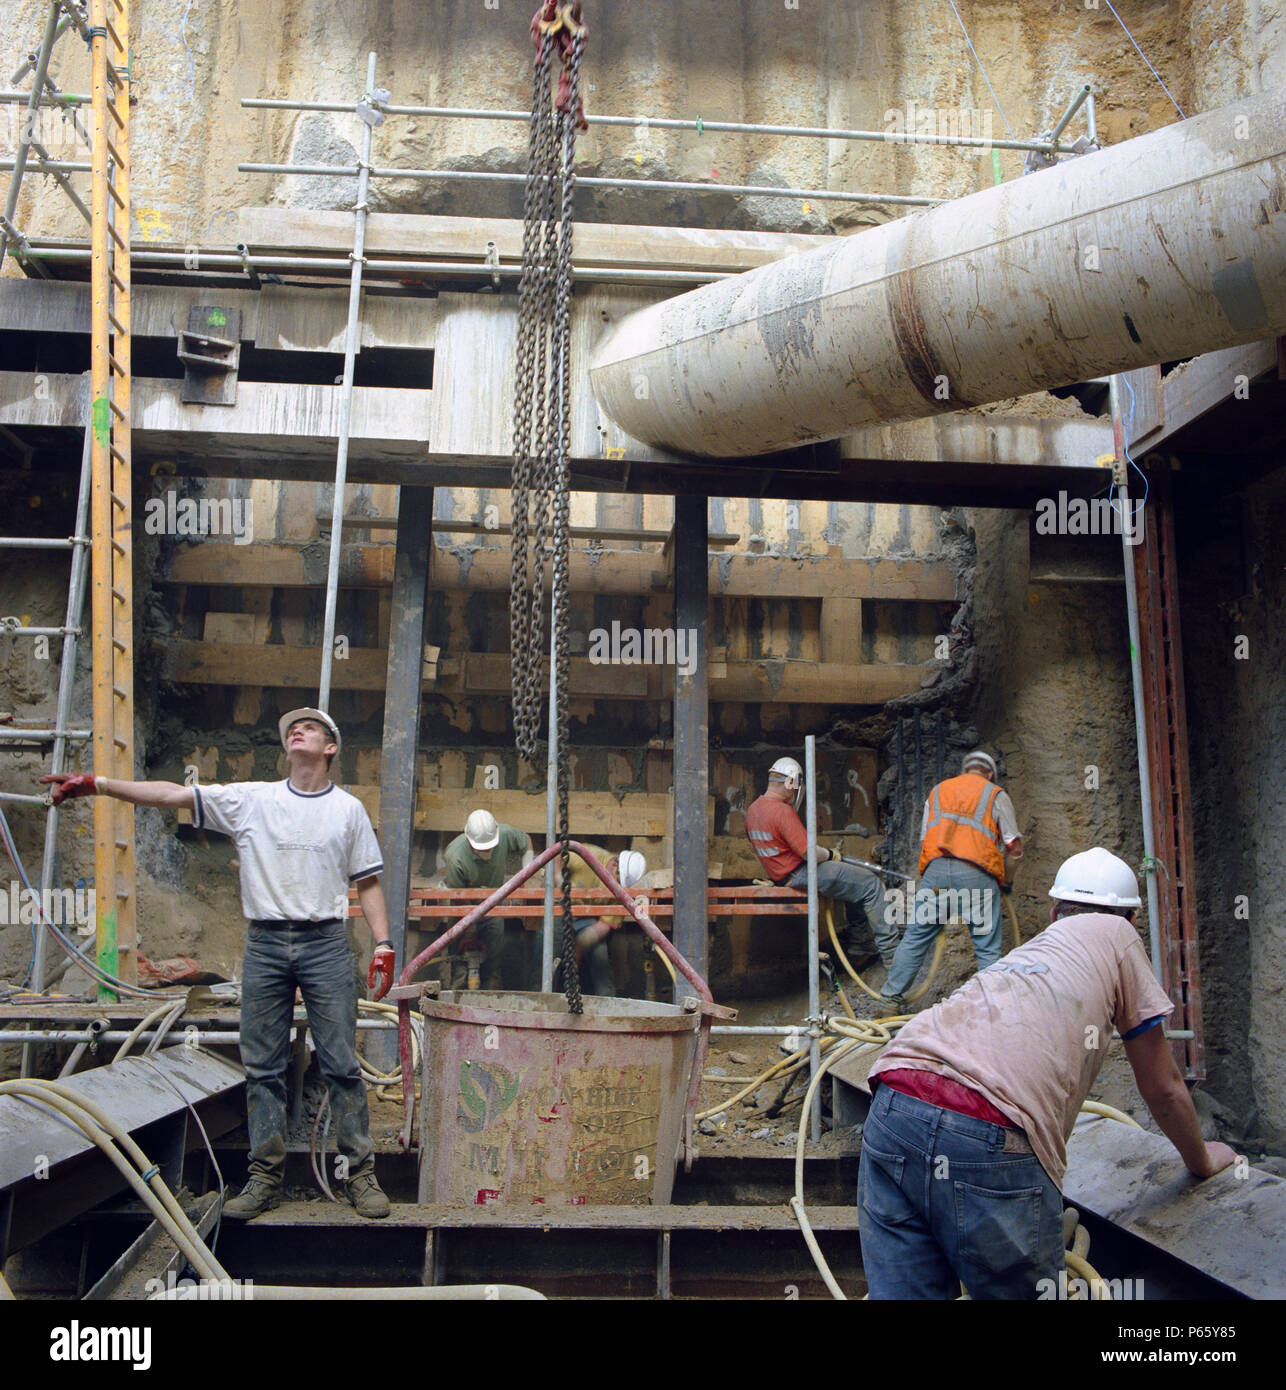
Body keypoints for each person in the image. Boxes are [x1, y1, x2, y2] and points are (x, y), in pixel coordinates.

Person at [42, 707, 394, 1221]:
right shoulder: (253, 799)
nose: (297, 730)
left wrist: (383, 944)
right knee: (264, 1066)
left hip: (325, 944)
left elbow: (367, 883)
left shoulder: (348, 810)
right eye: (292, 728)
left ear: (330, 748)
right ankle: (264, 1178)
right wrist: (99, 784)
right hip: (267, 944)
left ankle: (360, 1175)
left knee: (341, 1063)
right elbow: (171, 794)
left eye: (311, 728)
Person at [857, 847, 1238, 1300]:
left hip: (894, 1100)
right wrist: (1202, 1160)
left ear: (1055, 912)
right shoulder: (1119, 936)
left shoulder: (1029, 953)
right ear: (1131, 919)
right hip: (988, 1132)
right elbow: (1164, 1088)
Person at [879, 750, 1021, 1010]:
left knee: (915, 937)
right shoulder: (995, 794)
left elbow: (926, 839)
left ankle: (889, 999)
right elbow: (1013, 847)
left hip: (936, 873)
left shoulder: (938, 791)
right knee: (987, 947)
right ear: (990, 773)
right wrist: (1007, 883)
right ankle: (991, 1010)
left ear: (965, 769)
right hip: (977, 874)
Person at [744, 756, 898, 969]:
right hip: (801, 873)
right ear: (790, 783)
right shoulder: (781, 811)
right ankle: (893, 957)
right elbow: (809, 853)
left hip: (784, 876)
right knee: (870, 884)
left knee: (855, 881)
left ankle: (861, 943)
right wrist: (830, 853)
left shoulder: (753, 810)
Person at [441, 809, 533, 989]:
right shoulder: (455, 856)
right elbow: (458, 897)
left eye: (491, 846)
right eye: (482, 848)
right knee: (460, 960)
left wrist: (526, 872)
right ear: (469, 840)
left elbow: (526, 841)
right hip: (462, 907)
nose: (488, 851)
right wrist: (470, 929)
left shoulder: (505, 834)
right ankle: (457, 995)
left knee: (493, 960)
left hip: (492, 906)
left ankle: (491, 994)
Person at [552, 846, 647, 998]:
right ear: (614, 865)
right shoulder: (588, 857)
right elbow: (555, 854)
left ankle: (607, 1007)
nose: (617, 885)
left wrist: (579, 946)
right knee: (545, 961)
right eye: (617, 879)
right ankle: (538, 1006)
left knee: (600, 959)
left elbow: (603, 925)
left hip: (586, 920)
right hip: (556, 912)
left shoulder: (621, 890)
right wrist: (558, 878)